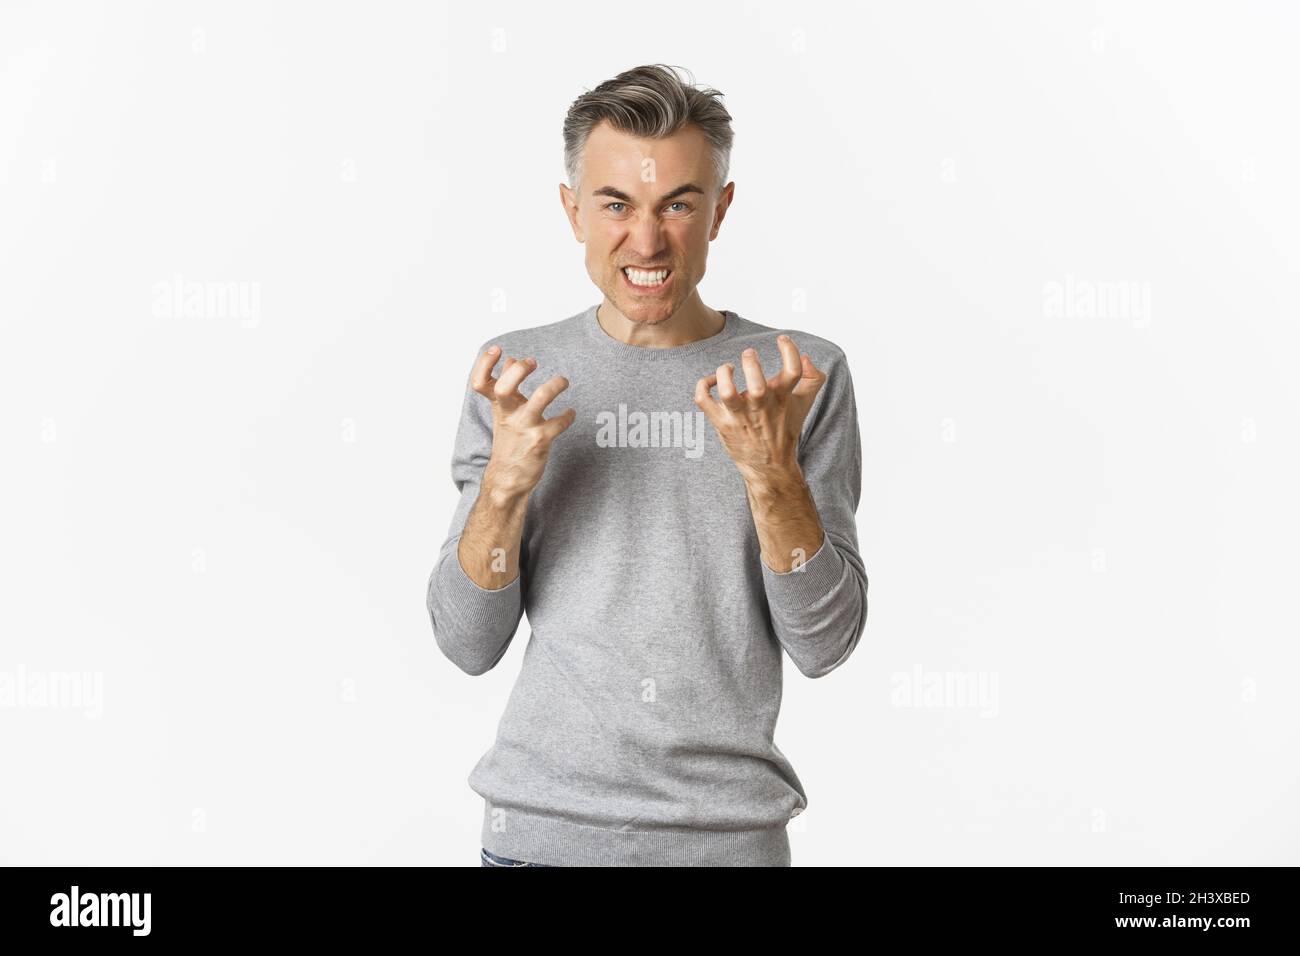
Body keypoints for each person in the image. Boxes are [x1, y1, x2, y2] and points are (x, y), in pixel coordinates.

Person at [427, 64, 868, 867]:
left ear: (720, 211)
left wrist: (772, 474)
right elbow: (466, 642)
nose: (647, 241)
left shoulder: (797, 376)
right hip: (538, 838)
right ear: (572, 211)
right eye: (616, 204)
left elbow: (826, 642)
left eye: (679, 204)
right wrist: (504, 487)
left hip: (727, 843)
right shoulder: (514, 374)